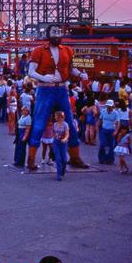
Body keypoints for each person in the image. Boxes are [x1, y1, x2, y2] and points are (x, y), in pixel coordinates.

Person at [26, 23, 90, 171]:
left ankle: (75, 157)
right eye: (54, 32)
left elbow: (71, 69)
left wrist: (80, 74)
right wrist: (43, 78)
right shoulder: (38, 50)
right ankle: (31, 160)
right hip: (45, 89)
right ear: (48, 35)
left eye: (59, 32)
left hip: (61, 90)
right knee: (39, 124)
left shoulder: (67, 50)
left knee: (70, 123)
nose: (57, 35)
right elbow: (31, 71)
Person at [97, 99, 119, 165]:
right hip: (104, 129)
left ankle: (110, 159)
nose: (109, 107)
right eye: (108, 106)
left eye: (110, 106)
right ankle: (102, 158)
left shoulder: (115, 113)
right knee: (102, 144)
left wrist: (116, 131)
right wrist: (97, 127)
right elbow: (100, 120)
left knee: (111, 145)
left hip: (112, 129)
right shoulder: (103, 111)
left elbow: (118, 122)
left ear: (112, 106)